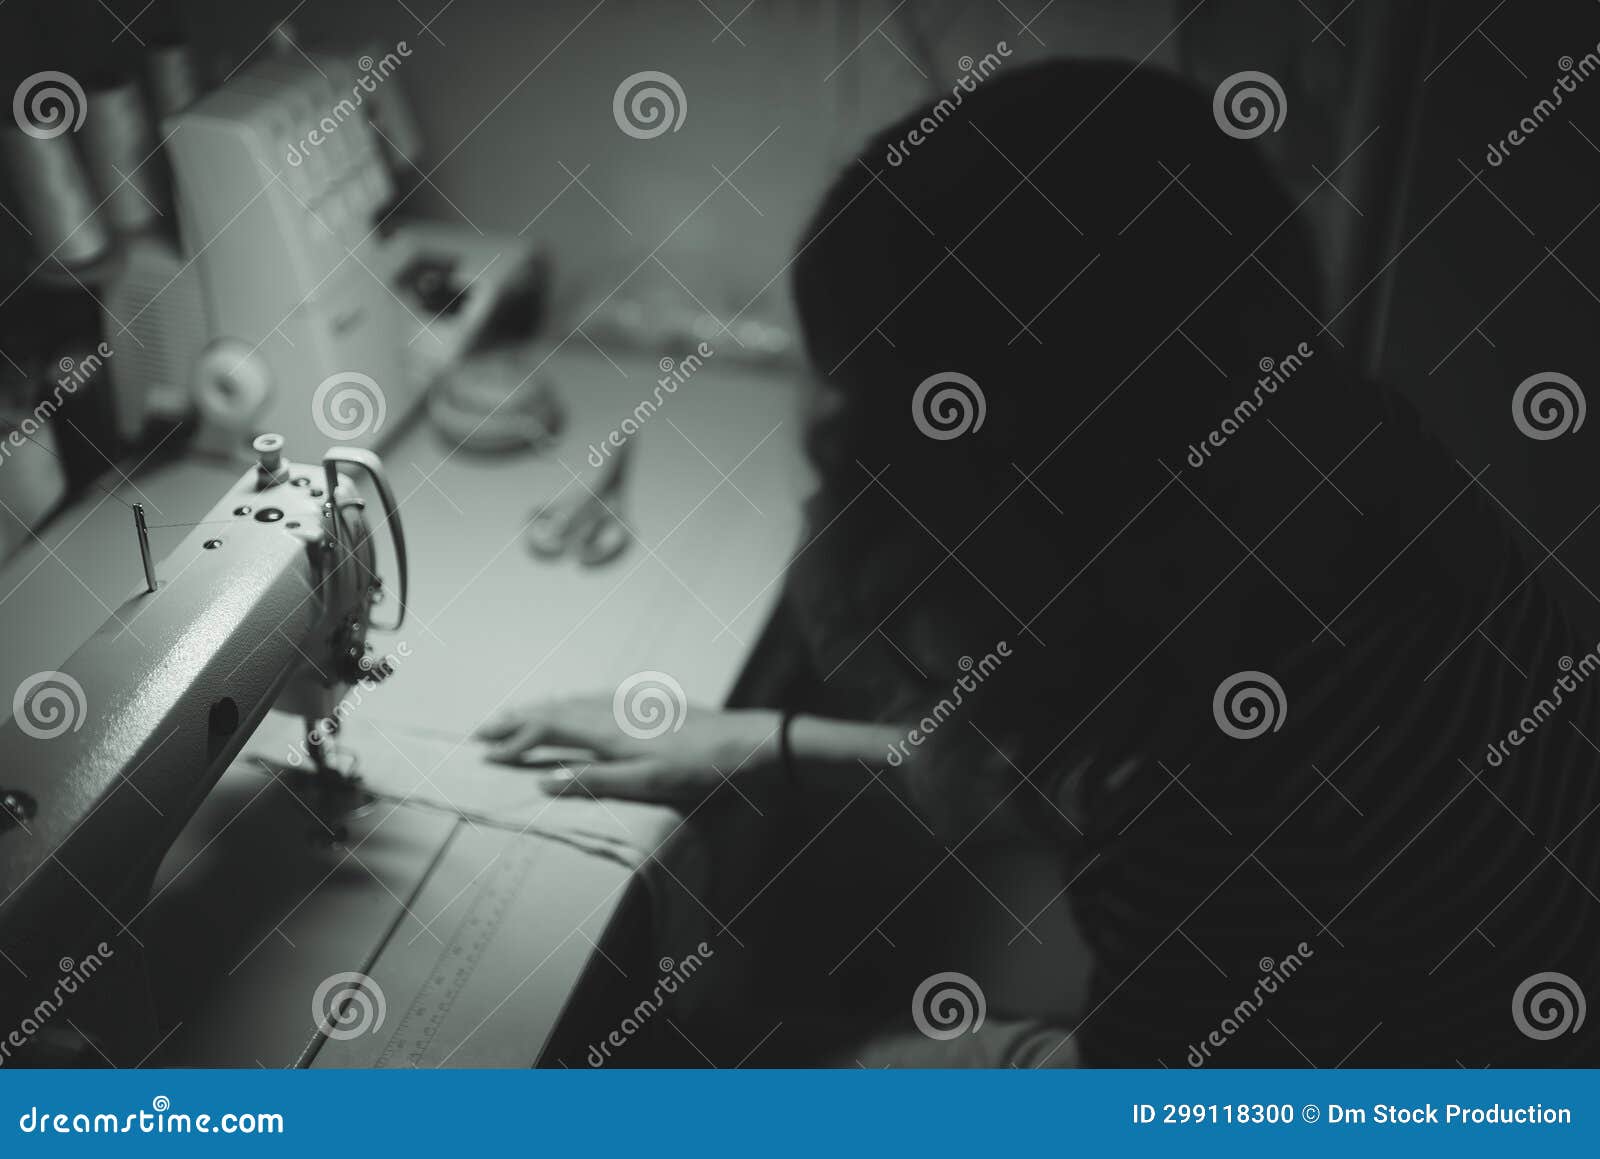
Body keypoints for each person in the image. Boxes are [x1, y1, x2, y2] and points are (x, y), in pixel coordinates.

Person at [477, 60, 1600, 1067]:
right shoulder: (1347, 474)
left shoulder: (1213, 839)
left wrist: (782, 1068)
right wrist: (770, 745)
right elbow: (1123, 768)